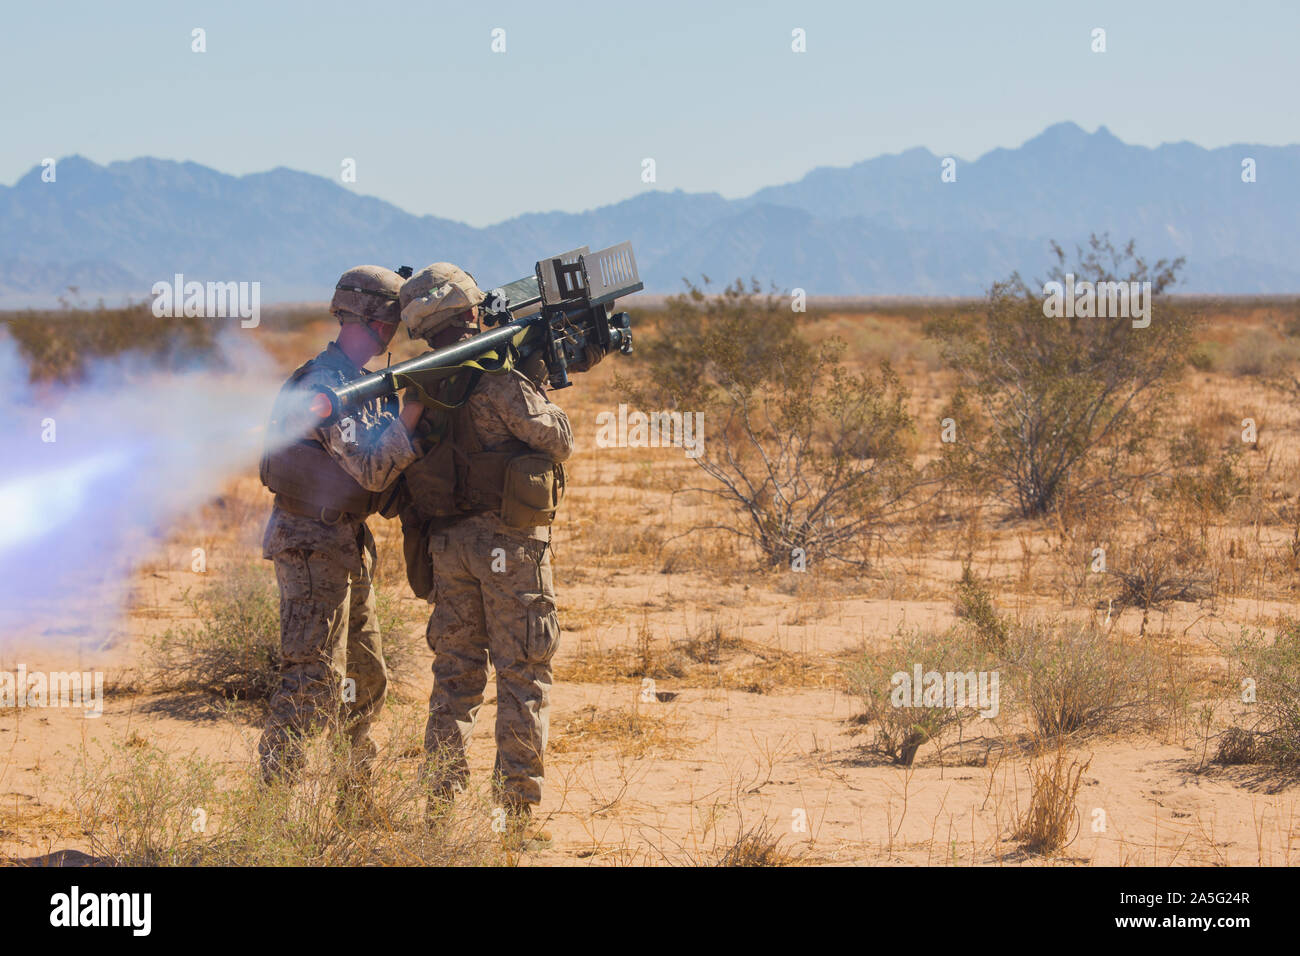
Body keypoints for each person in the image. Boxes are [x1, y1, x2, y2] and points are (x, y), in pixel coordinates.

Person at [395, 261, 598, 849]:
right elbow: (558, 439)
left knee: (454, 677)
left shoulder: (420, 386)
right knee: (522, 674)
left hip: (448, 546)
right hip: (507, 543)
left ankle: (437, 814)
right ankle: (513, 820)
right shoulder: (499, 380)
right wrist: (532, 379)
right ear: (471, 311)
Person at [257, 265, 423, 806]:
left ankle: (356, 802)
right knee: (311, 683)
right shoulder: (325, 385)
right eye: (391, 323)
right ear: (376, 322)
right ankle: (272, 818)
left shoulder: (360, 381)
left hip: (346, 543)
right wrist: (414, 415)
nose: (392, 334)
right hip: (310, 544)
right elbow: (372, 471)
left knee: (367, 678)